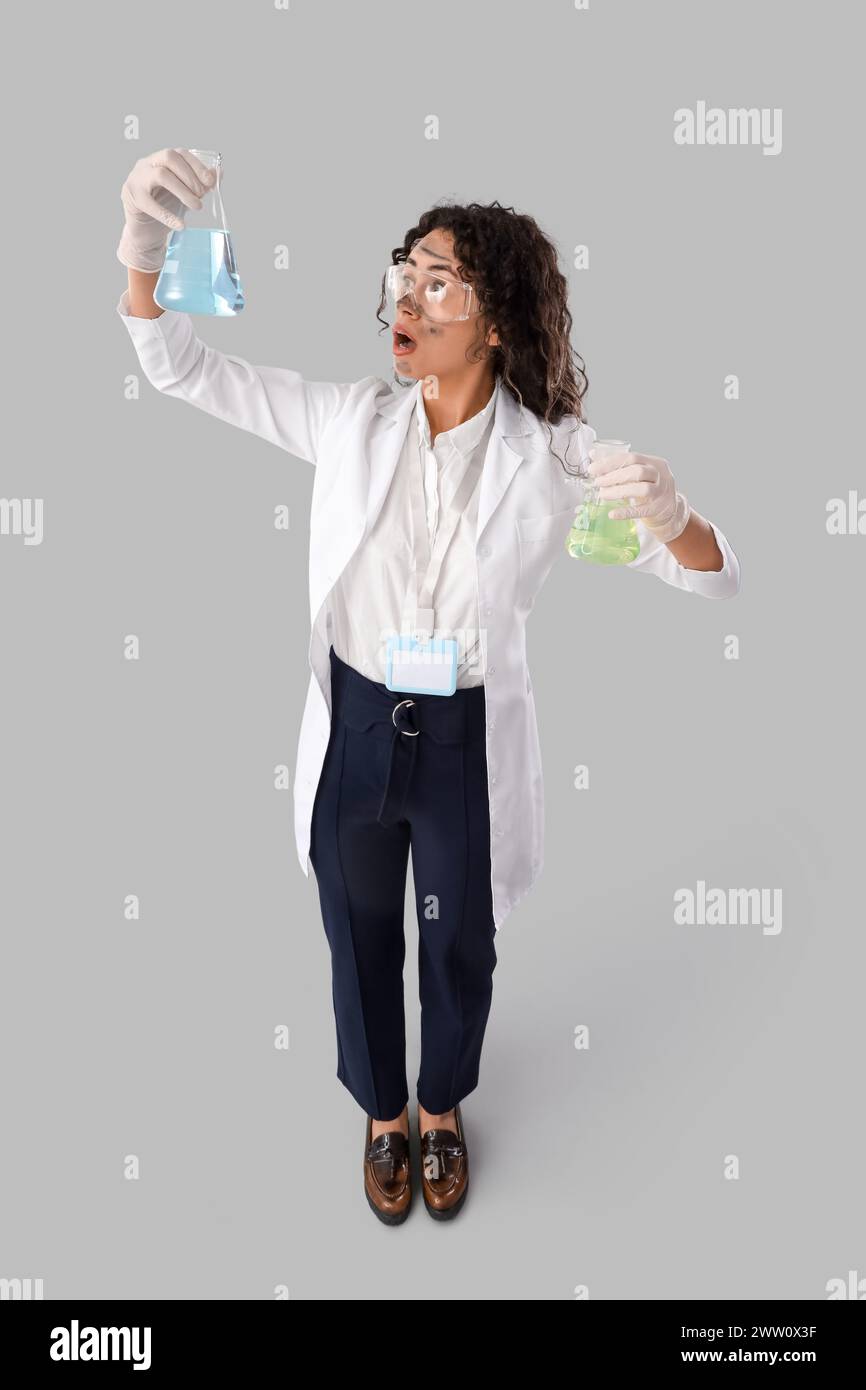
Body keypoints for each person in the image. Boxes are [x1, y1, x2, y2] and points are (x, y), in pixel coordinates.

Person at [116, 148, 741, 1225]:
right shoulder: (347, 422)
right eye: (404, 271)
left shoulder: (553, 462)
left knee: (456, 941)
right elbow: (181, 367)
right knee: (357, 931)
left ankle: (440, 1106)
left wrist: (677, 516)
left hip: (459, 746)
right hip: (357, 724)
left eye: (438, 278)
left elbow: (716, 582)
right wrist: (141, 245)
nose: (405, 293)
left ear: (494, 319)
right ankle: (380, 1113)